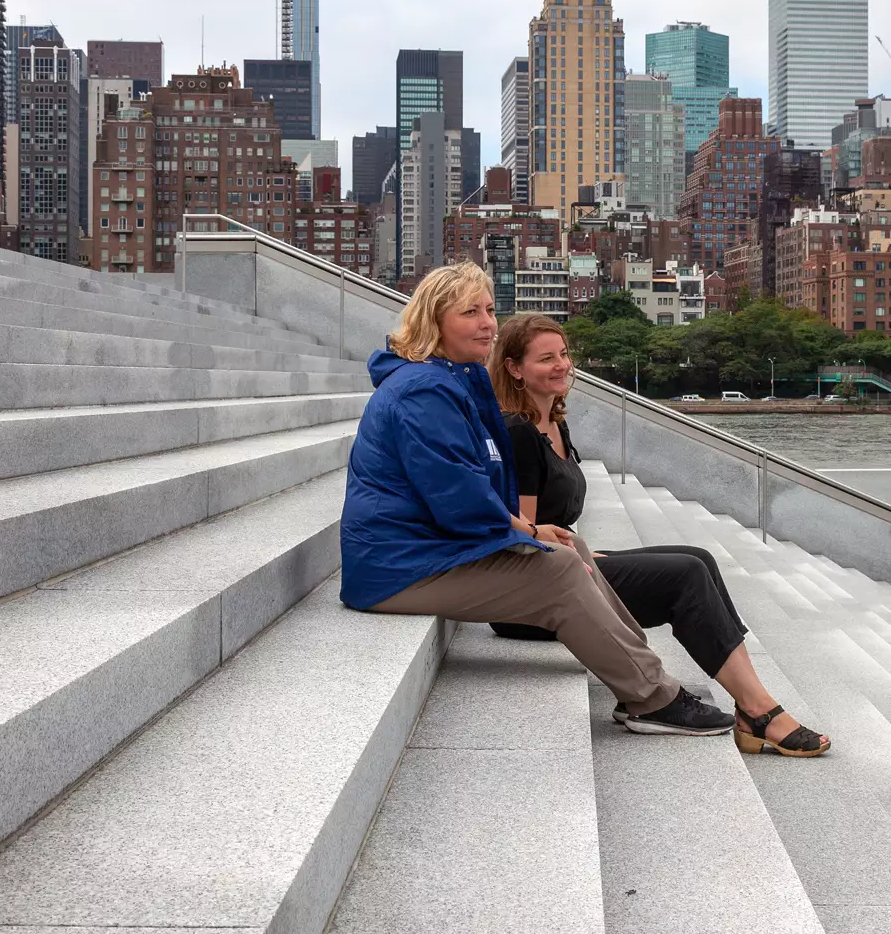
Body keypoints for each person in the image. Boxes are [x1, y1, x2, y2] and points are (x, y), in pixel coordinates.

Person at [339, 262, 732, 736]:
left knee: (569, 545)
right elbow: (458, 498)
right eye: (469, 312)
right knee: (559, 569)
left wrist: (534, 530)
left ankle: (647, 678)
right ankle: (651, 698)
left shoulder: (449, 381)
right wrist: (525, 529)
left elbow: (464, 488)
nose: (487, 323)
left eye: (489, 309)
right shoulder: (423, 392)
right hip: (396, 567)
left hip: (426, 548)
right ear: (434, 321)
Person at [490, 313, 829, 758]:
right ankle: (759, 710)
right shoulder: (518, 431)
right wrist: (595, 563)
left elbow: (558, 527)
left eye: (564, 354)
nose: (561, 365)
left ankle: (750, 699)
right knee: (684, 574)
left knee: (698, 556)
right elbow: (528, 539)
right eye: (546, 358)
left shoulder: (552, 421)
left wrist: (597, 556)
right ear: (514, 368)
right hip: (536, 596)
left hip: (563, 564)